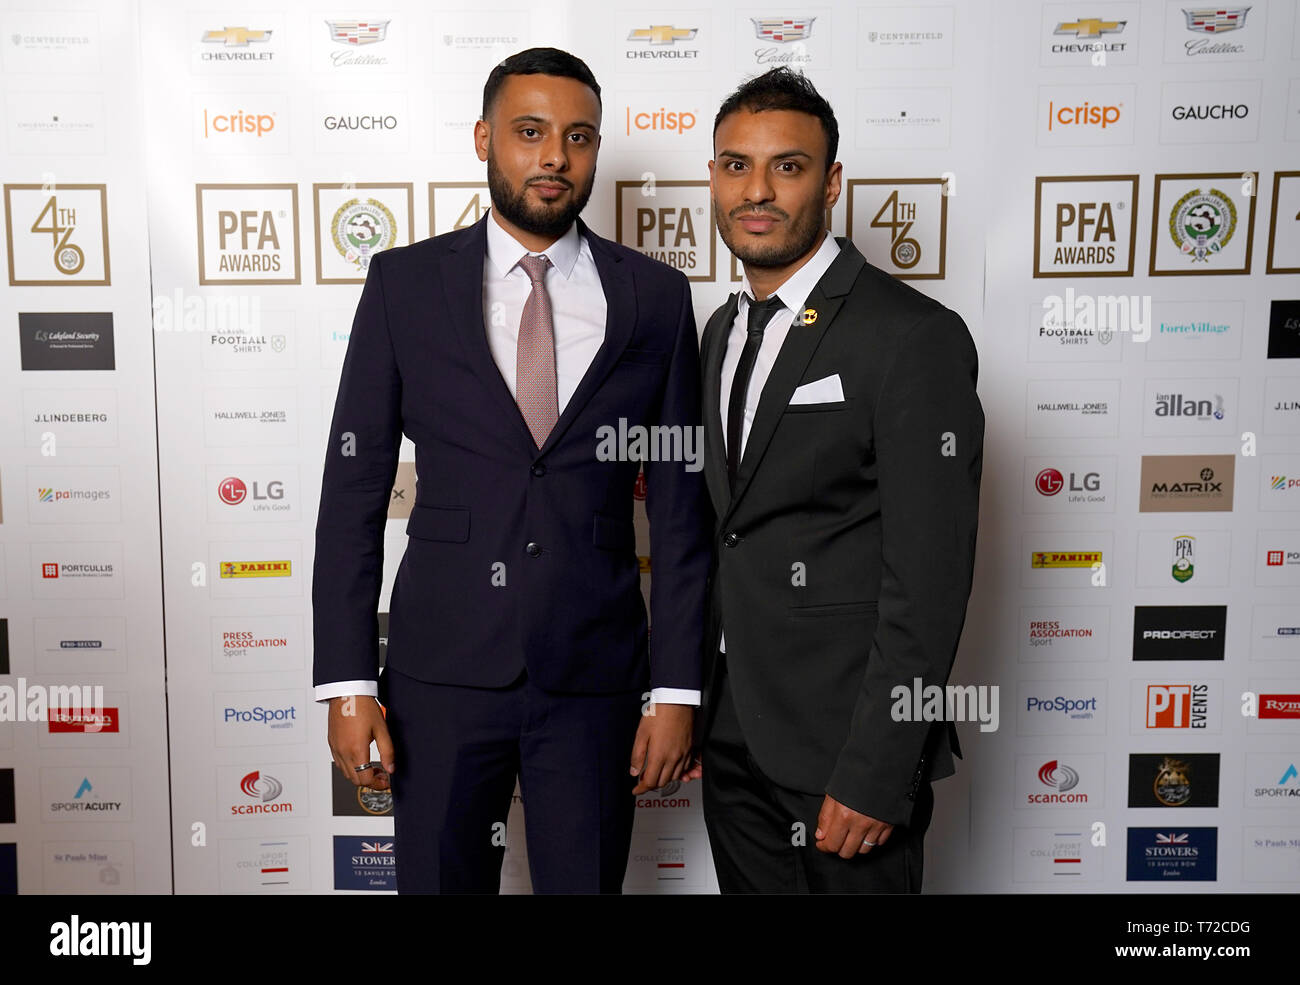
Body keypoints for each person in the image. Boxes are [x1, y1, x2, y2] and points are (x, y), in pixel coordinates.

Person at [311, 47, 710, 893]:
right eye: (530, 133)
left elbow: (679, 515)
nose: (555, 157)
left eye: (578, 137)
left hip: (595, 674)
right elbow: (352, 494)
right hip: (440, 671)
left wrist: (675, 687)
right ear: (486, 139)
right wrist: (348, 681)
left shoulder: (657, 299)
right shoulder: (403, 285)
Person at [691, 67, 983, 893]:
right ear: (713, 178)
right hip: (734, 736)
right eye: (735, 164)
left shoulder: (910, 336)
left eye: (787, 166)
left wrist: (881, 768)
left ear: (831, 182)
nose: (758, 190)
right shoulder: (720, 330)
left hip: (846, 754)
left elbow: (930, 579)